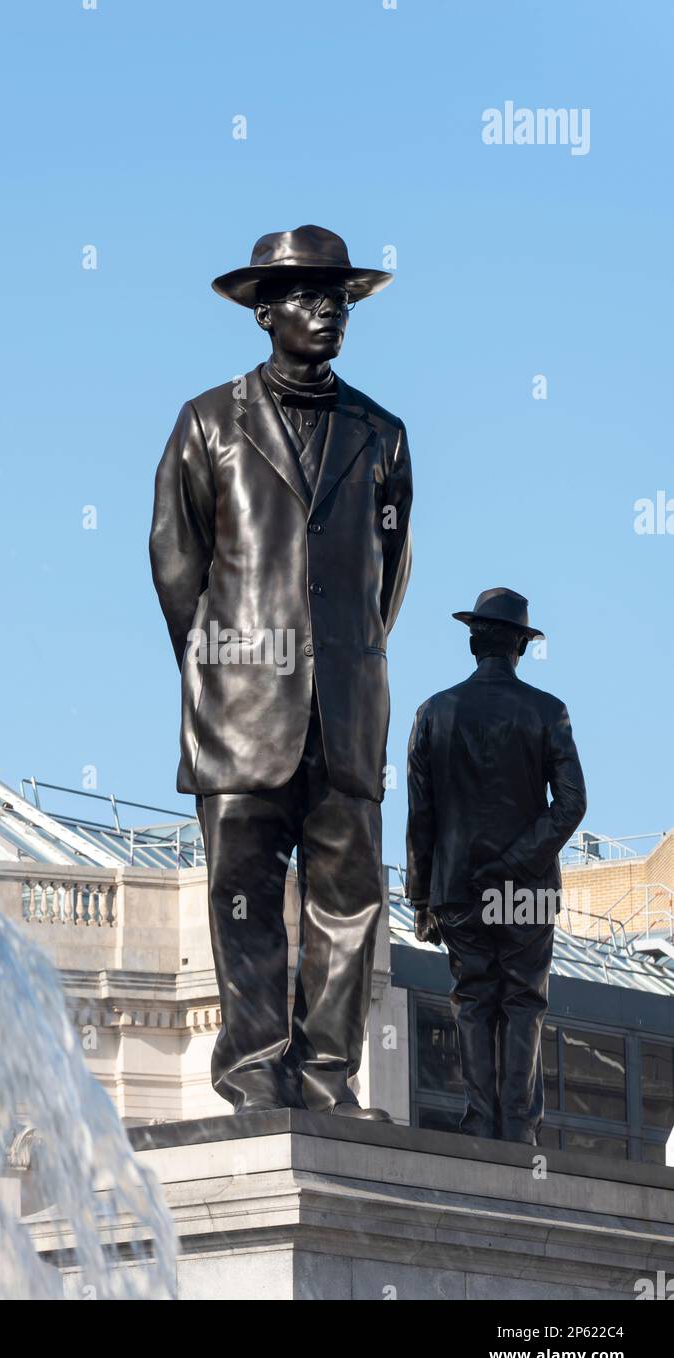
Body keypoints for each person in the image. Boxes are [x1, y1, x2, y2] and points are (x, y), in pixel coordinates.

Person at [150, 226, 412, 1117]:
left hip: (344, 709)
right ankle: (254, 1067)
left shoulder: (381, 432)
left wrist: (345, 662)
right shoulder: (207, 421)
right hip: (239, 709)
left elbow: (387, 573)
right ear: (264, 313)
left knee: (347, 905)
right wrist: (222, 668)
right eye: (306, 297)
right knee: (243, 897)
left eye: (337, 298)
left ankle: (327, 1077)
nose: (326, 311)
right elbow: (175, 561)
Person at [405, 588, 587, 1143]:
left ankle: (482, 1122)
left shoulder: (434, 712)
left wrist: (420, 896)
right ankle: (520, 1130)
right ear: (520, 647)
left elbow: (422, 816)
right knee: (524, 1000)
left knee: (475, 998)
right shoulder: (547, 711)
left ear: (473, 642)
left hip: (458, 887)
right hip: (525, 889)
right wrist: (519, 861)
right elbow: (571, 804)